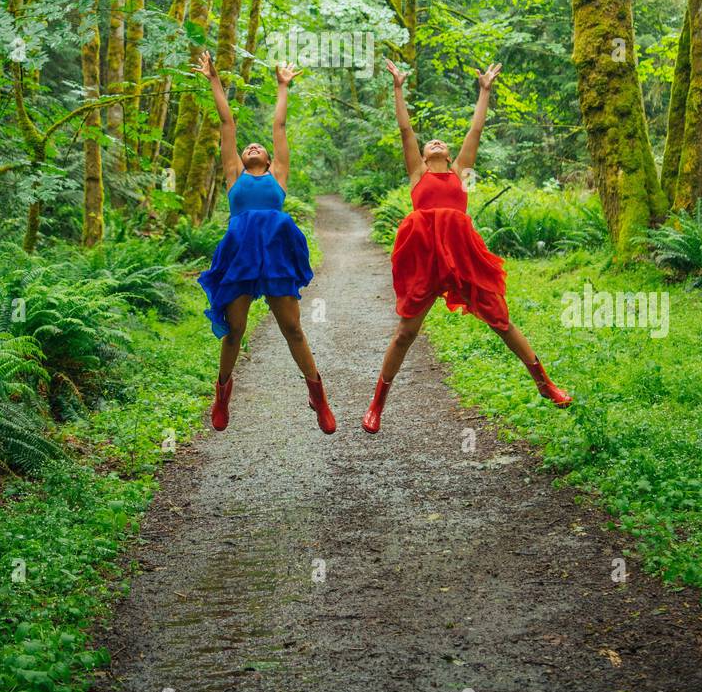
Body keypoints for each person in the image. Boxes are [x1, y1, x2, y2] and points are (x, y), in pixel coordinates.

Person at [362, 58, 572, 433]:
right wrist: (398, 87)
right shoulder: (417, 174)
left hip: (461, 255)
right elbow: (405, 128)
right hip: (425, 256)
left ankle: (546, 385)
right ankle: (377, 403)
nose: (437, 141)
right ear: (425, 156)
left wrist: (485, 91)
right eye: (431, 143)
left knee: (501, 321)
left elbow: (475, 130)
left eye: (442, 141)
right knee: (405, 333)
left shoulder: (461, 172)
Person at [194, 51, 335, 434]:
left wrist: (283, 86)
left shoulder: (279, 176)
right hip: (240, 252)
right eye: (248, 147)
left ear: (271, 160)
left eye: (260, 147)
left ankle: (317, 393)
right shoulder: (233, 175)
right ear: (240, 158)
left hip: (274, 251)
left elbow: (279, 126)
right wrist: (213, 79)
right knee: (235, 328)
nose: (253, 146)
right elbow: (227, 122)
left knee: (292, 328)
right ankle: (222, 392)